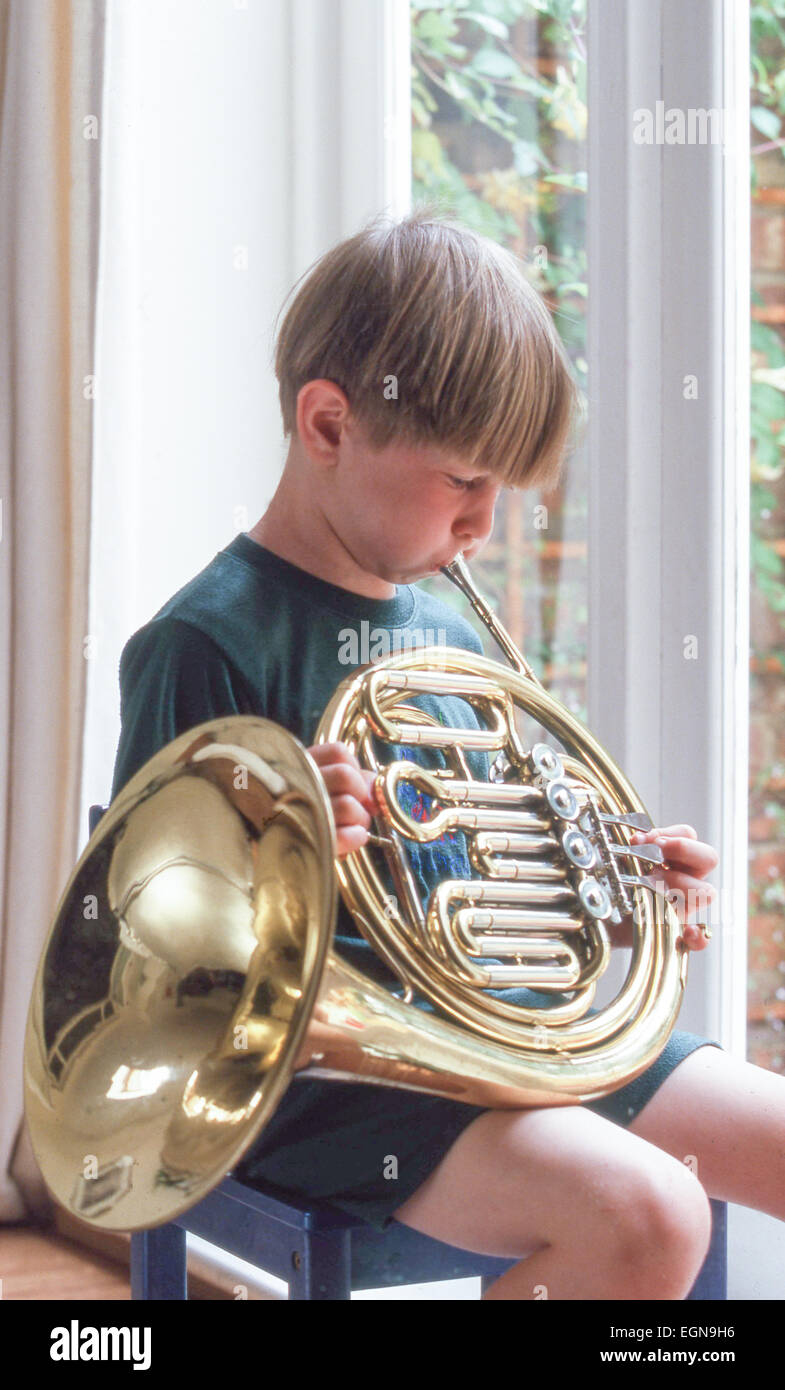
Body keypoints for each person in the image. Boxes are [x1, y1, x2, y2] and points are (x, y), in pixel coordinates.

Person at [111, 206, 785, 1301]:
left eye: (502, 495)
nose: (483, 527)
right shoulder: (203, 641)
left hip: (504, 1040)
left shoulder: (452, 636)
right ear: (328, 426)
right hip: (315, 1086)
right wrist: (272, 850)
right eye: (465, 482)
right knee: (646, 1215)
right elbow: (142, 950)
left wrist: (610, 886)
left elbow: (477, 868)